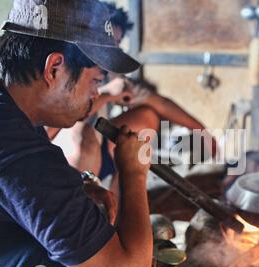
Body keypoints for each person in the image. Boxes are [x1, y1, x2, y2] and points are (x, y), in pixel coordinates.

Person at [0, 0, 153, 267]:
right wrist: (133, 173)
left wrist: (77, 187)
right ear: (54, 67)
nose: (95, 96)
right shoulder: (10, 147)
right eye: (95, 81)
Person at [49, 3, 217, 193]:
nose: (112, 48)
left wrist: (202, 131)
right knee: (82, 131)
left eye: (116, 43)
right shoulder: (66, 68)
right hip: (66, 155)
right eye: (107, 40)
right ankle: (81, 200)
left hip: (101, 151)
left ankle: (117, 204)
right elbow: (51, 127)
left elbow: (159, 102)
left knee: (146, 117)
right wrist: (107, 95)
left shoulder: (111, 75)